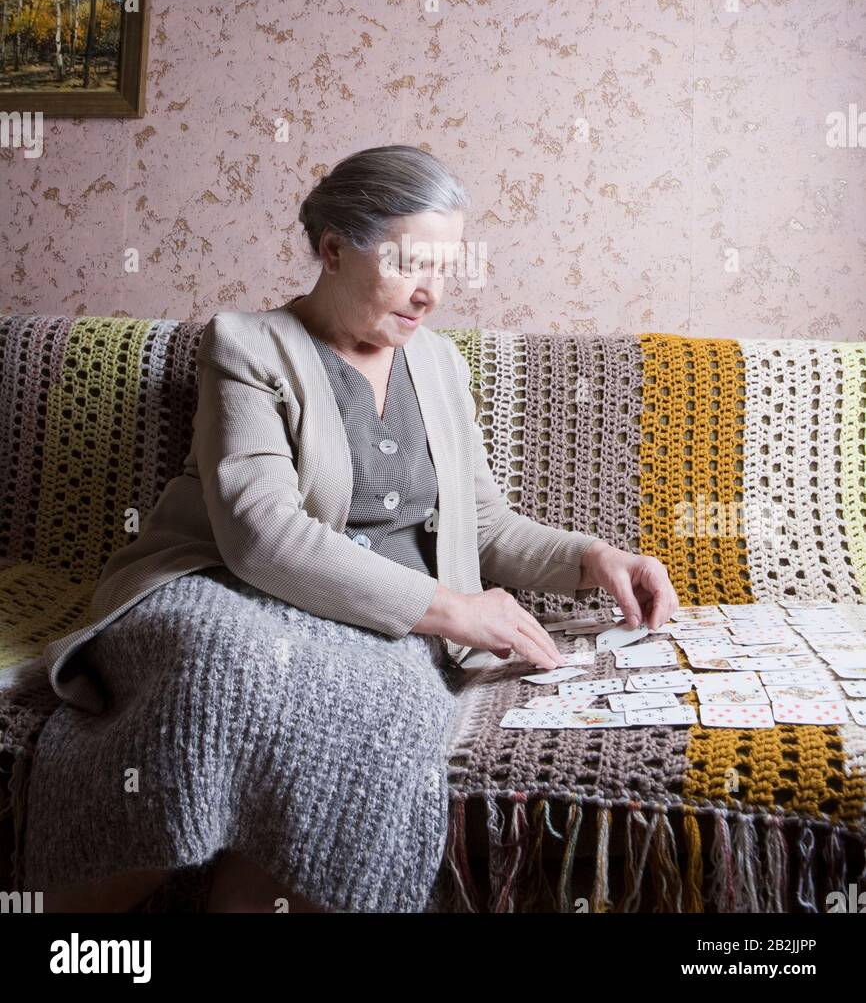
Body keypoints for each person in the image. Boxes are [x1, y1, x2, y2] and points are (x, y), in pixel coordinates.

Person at [23, 144, 677, 913]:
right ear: (334, 250)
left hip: (378, 625)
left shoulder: (438, 366)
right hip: (222, 586)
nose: (431, 294)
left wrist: (594, 557)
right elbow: (261, 535)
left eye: (446, 269)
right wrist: (453, 608)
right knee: (229, 662)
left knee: (374, 701)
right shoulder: (245, 346)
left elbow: (484, 523)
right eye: (409, 264)